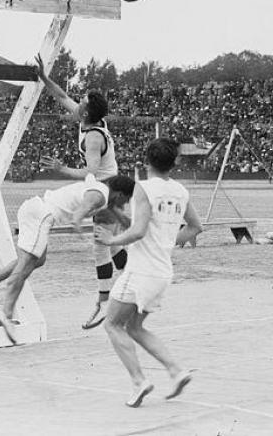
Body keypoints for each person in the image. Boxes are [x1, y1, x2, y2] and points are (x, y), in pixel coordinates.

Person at [97, 138, 203, 407]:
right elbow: (194, 227)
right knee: (134, 327)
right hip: (162, 272)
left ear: (147, 161)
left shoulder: (142, 187)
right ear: (174, 162)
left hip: (141, 271)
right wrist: (166, 241)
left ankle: (139, 381)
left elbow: (139, 230)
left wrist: (110, 241)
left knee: (112, 324)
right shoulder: (180, 190)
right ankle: (176, 371)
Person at [0, 174, 135, 344]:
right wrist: (78, 226)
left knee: (38, 260)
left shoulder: (102, 191)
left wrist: (136, 224)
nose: (126, 204)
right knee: (26, 265)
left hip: (34, 209)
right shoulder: (99, 196)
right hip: (42, 215)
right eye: (127, 200)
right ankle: (5, 311)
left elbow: (113, 210)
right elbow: (80, 212)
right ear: (120, 194)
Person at [33, 53, 129, 330]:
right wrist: (43, 77)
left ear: (86, 112)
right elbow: (62, 95)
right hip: (108, 187)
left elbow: (91, 171)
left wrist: (61, 168)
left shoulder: (94, 136)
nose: (78, 101)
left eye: (82, 100)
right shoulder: (88, 120)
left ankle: (105, 303)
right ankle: (132, 284)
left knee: (101, 247)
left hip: (107, 189)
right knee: (113, 244)